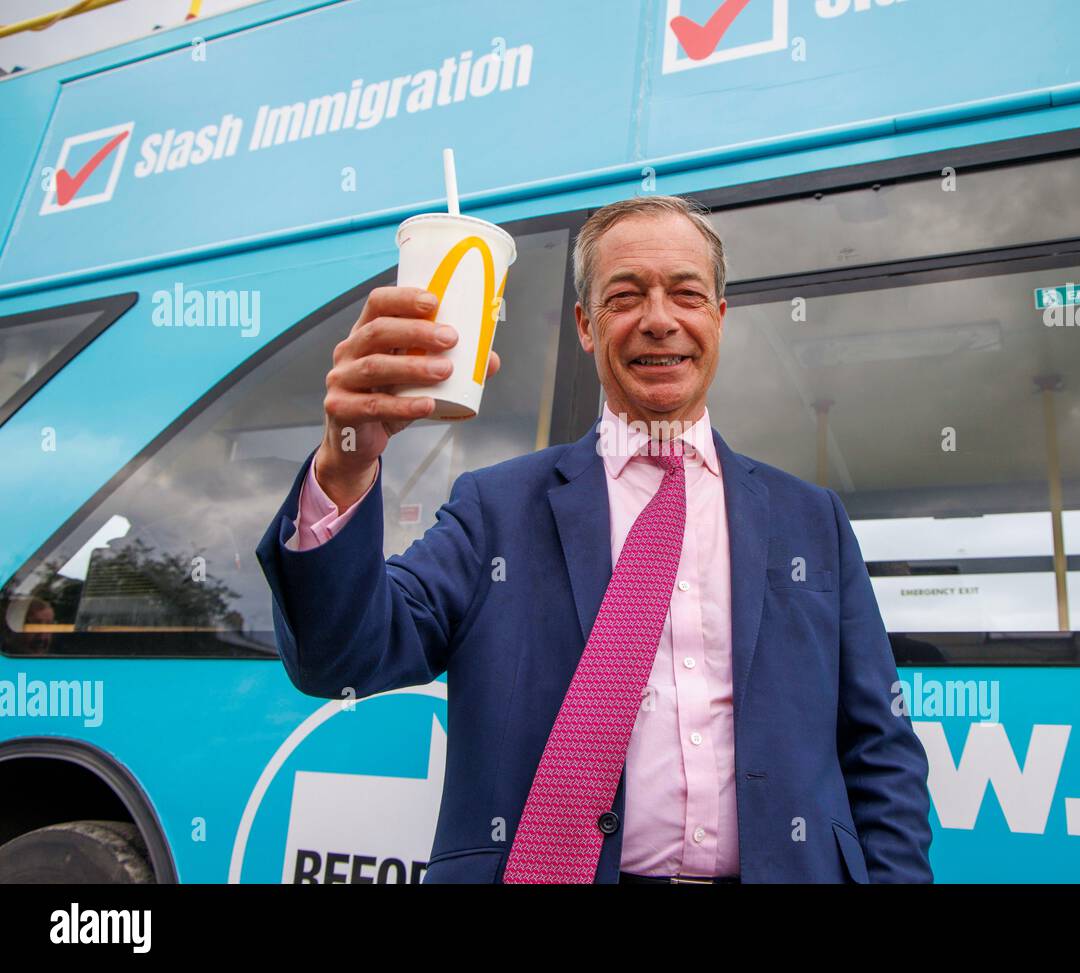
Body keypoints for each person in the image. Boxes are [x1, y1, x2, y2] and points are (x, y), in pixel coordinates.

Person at [256, 194, 933, 884]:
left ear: (720, 318)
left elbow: (882, 752)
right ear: (585, 325)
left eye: (687, 294)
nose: (660, 320)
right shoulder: (496, 509)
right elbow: (337, 658)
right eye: (626, 296)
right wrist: (344, 462)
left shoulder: (811, 519)